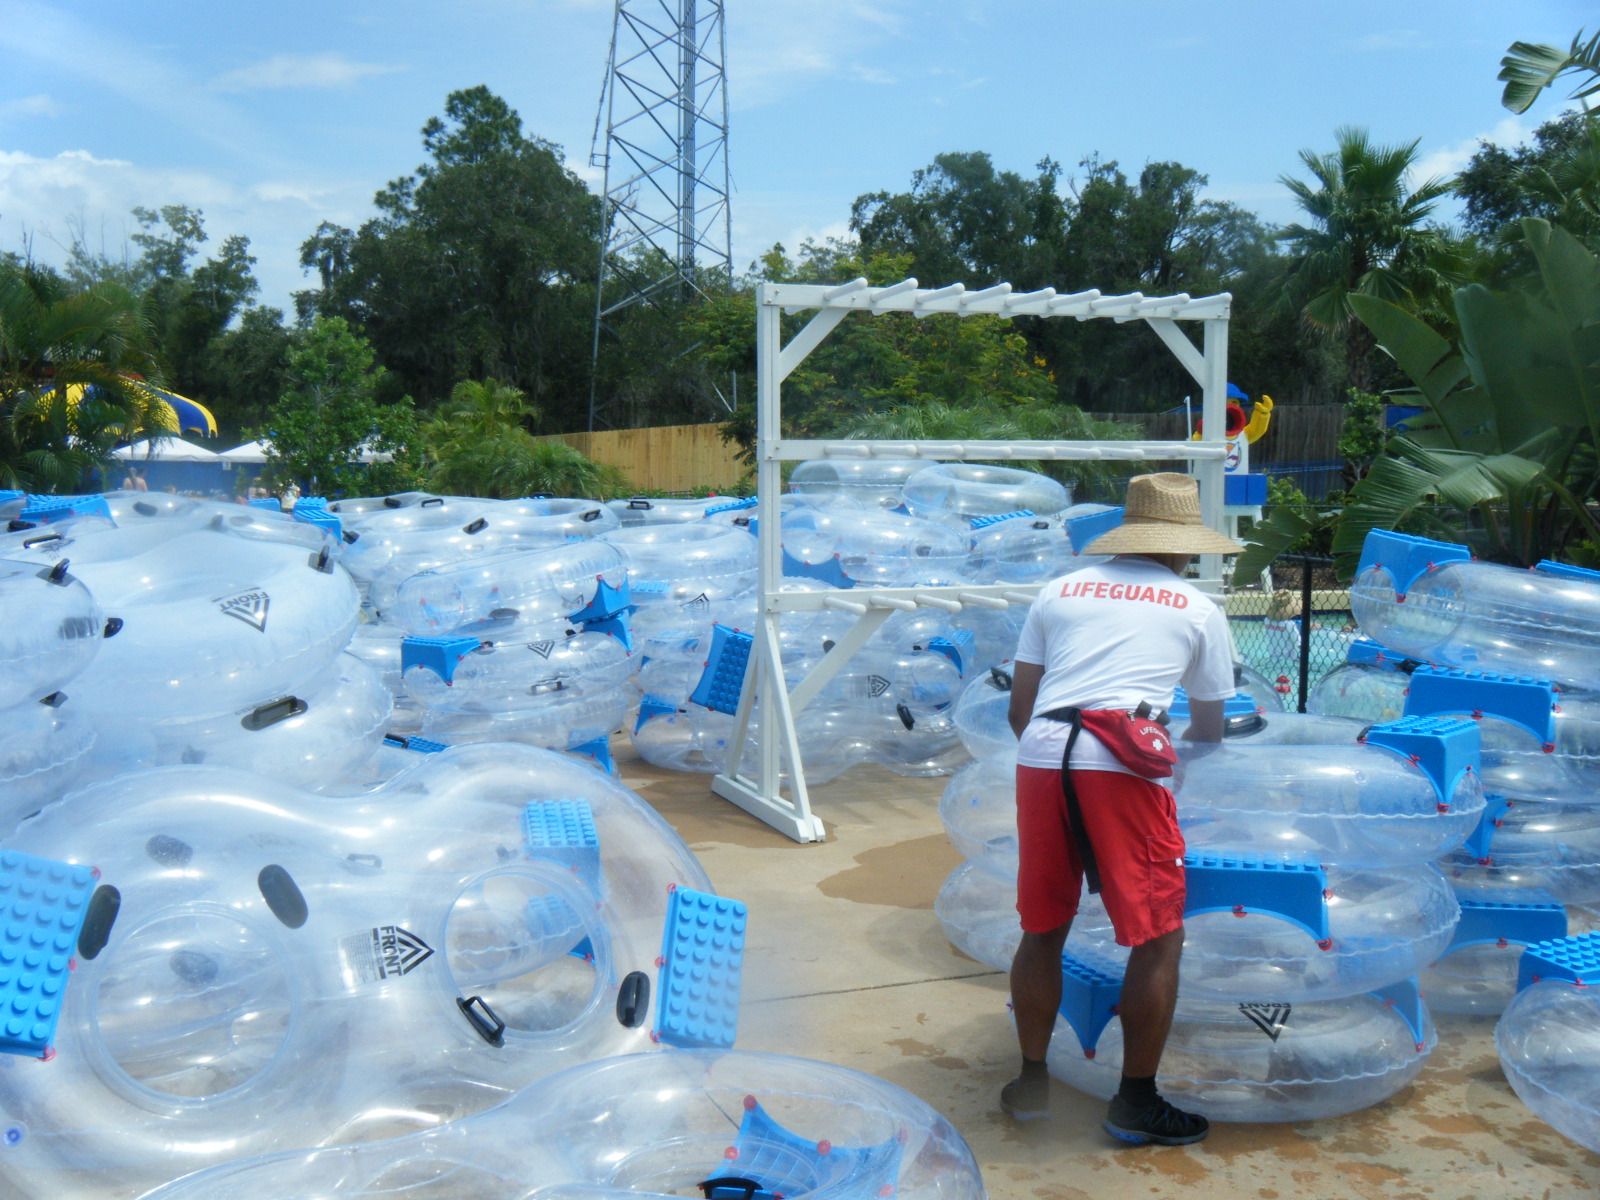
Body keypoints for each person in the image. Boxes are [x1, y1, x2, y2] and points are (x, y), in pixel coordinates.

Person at [1001, 472, 1242, 1146]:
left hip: (1043, 752)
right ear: (1185, 546)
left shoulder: (1060, 589)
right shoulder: (1194, 606)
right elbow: (1211, 728)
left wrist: (1065, 773)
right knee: (1159, 935)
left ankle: (1029, 1086)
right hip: (1122, 760)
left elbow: (1020, 708)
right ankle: (1135, 1102)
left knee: (1044, 925)